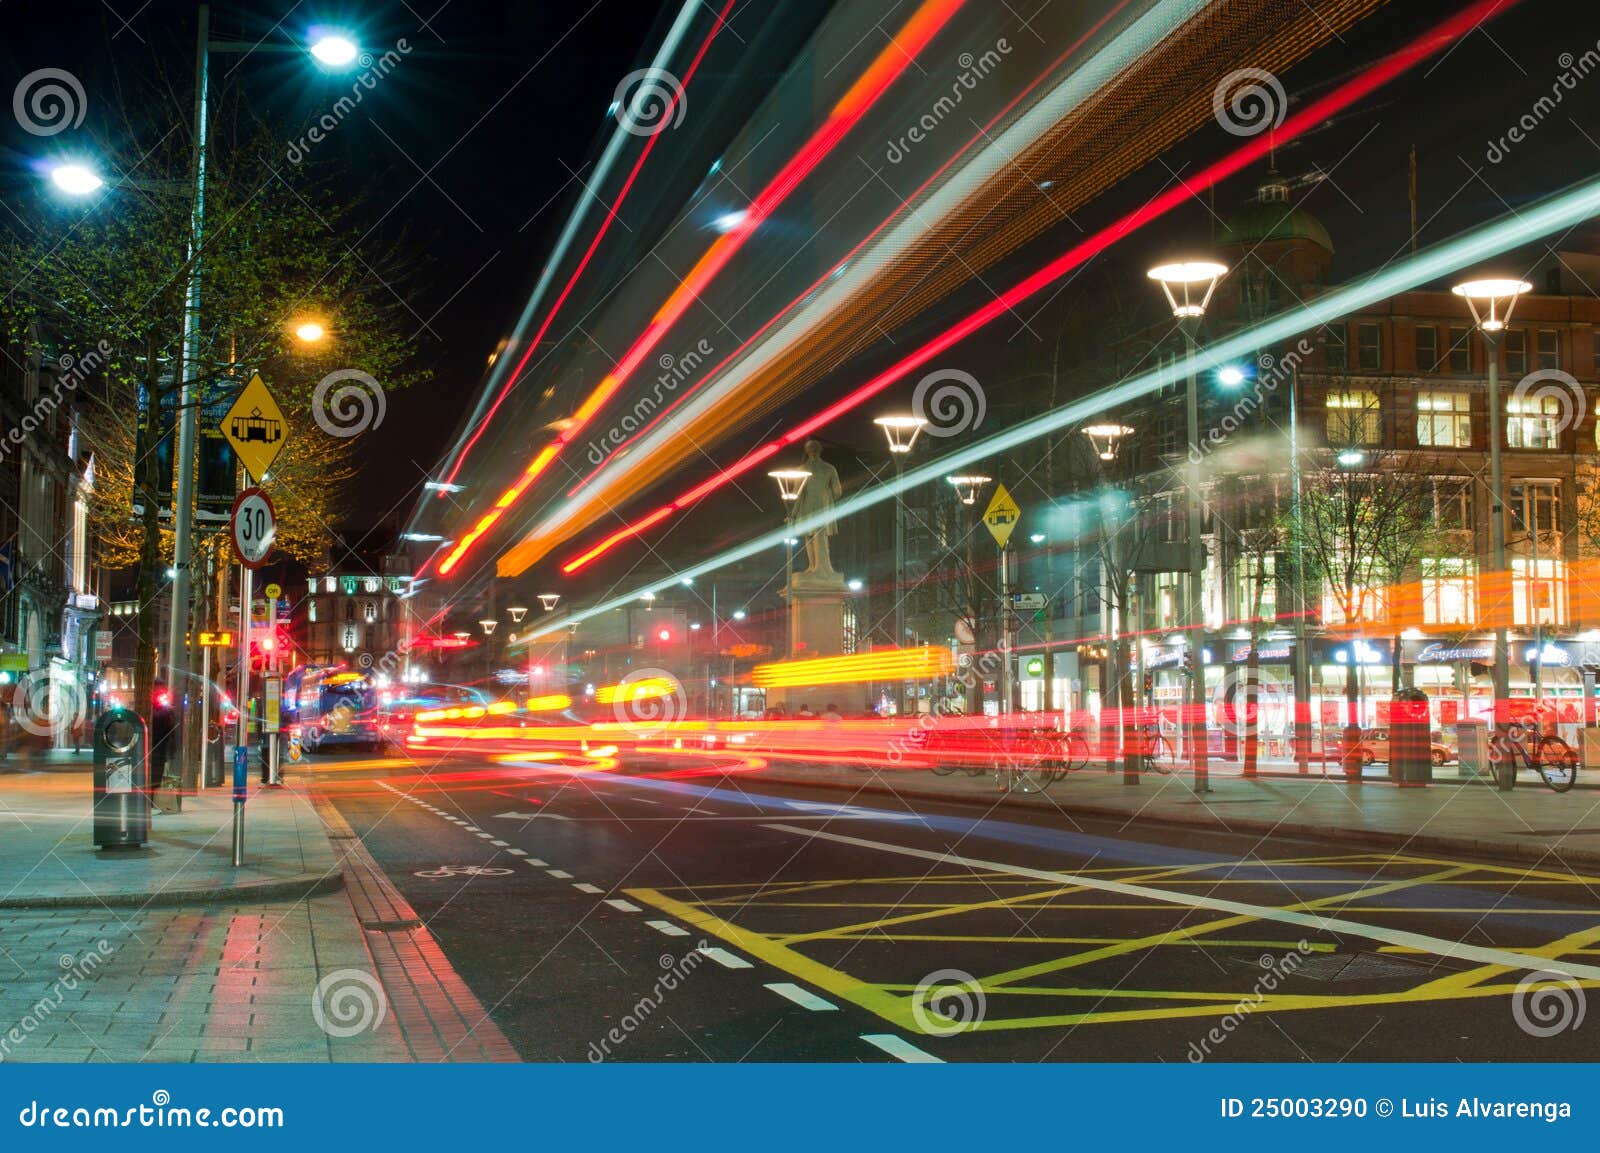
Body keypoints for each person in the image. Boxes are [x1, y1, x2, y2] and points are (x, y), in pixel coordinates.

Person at [147, 683, 177, 814]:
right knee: (154, 779)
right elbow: (170, 732)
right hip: (157, 751)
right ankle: (149, 803)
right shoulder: (163, 712)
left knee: (154, 779)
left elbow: (170, 732)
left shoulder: (163, 712)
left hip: (156, 751)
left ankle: (150, 802)